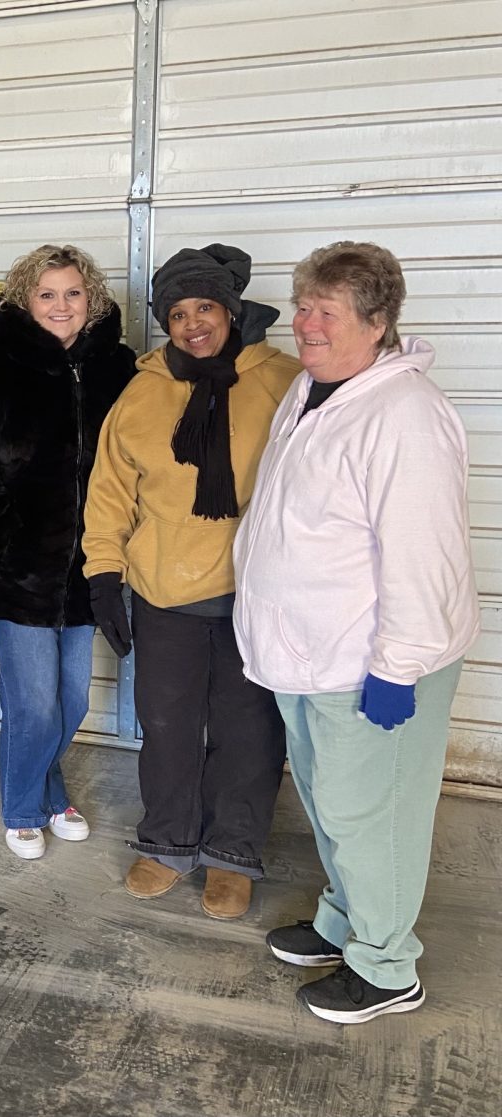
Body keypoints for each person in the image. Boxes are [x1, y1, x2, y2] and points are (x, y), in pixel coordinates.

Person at [233, 241, 479, 1023]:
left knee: (377, 814)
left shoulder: (405, 414)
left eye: (324, 311)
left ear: (376, 323)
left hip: (372, 661)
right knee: (333, 804)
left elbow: (423, 553)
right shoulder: (310, 388)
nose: (303, 322)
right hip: (311, 653)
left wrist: (397, 666)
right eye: (303, 305)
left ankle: (385, 966)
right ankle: (348, 922)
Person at [82, 243, 299, 918]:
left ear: (231, 311)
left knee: (249, 729)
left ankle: (233, 852)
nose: (192, 324)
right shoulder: (145, 390)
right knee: (169, 723)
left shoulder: (285, 380)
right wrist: (102, 573)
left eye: (204, 307)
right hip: (163, 593)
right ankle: (168, 840)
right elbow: (110, 490)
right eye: (177, 313)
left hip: (255, 593)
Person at [0, 244, 136, 860]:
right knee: (33, 702)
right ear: (27, 300)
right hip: (18, 574)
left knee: (72, 699)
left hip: (88, 574)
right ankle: (25, 806)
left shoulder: (119, 367)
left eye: (73, 293)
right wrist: (2, 544)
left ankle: (50, 786)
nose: (62, 305)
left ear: (93, 298)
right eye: (47, 294)